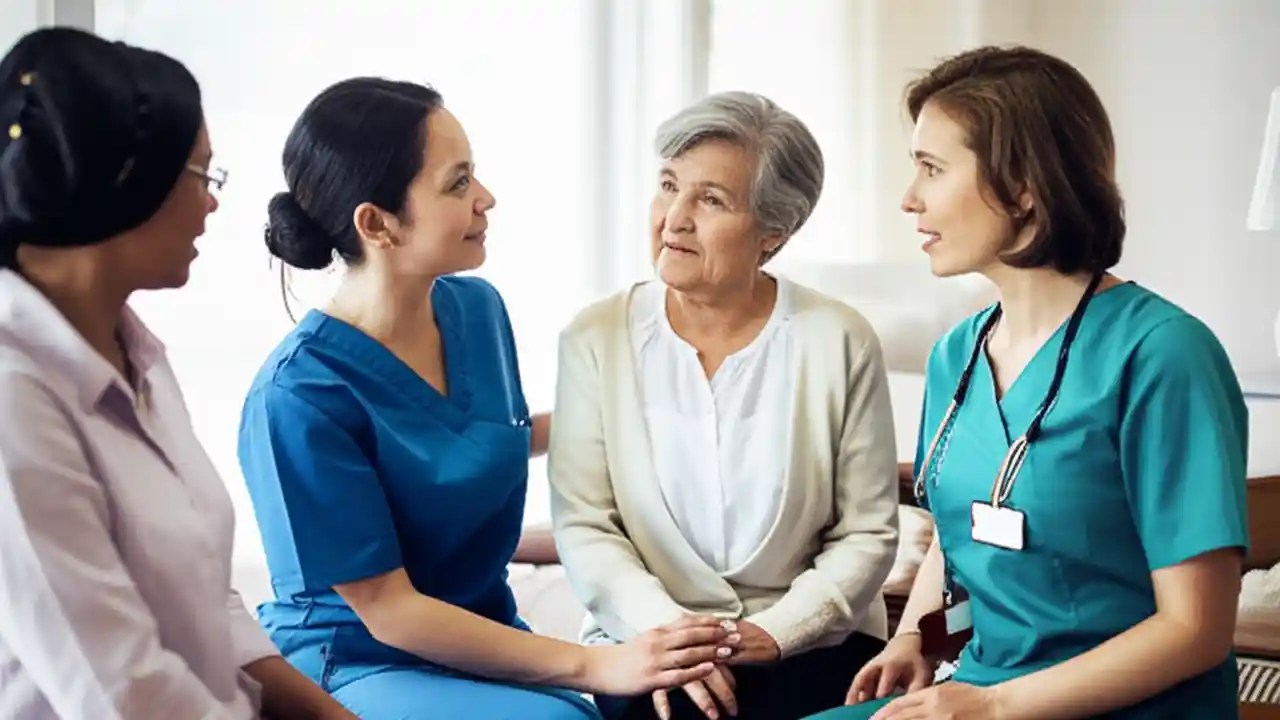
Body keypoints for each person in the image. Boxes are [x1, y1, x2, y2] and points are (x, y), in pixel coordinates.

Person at [237, 77, 733, 720]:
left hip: (477, 630)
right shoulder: (297, 397)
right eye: (458, 183)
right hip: (359, 659)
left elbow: (469, 441)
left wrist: (662, 415)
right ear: (377, 223)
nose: (486, 198)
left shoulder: (476, 309)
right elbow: (388, 610)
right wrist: (595, 664)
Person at [808, 45, 1248, 720]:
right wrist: (912, 637)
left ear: (1023, 184)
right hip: (976, 690)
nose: (909, 198)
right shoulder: (956, 353)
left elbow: (1196, 630)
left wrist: (990, 709)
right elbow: (965, 531)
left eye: (932, 168)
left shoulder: (1164, 355)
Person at [0, 27, 355, 720]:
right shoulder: (15, 396)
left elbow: (205, 597)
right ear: (128, 178)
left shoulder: (137, 357)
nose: (213, 202)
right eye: (203, 174)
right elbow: (120, 692)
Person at [549, 91, 902, 720]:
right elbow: (587, 527)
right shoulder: (594, 338)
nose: (674, 218)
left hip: (812, 642)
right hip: (648, 639)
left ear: (774, 233)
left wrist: (780, 631)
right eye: (668, 186)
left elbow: (867, 531)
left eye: (711, 200)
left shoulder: (838, 338)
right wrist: (672, 635)